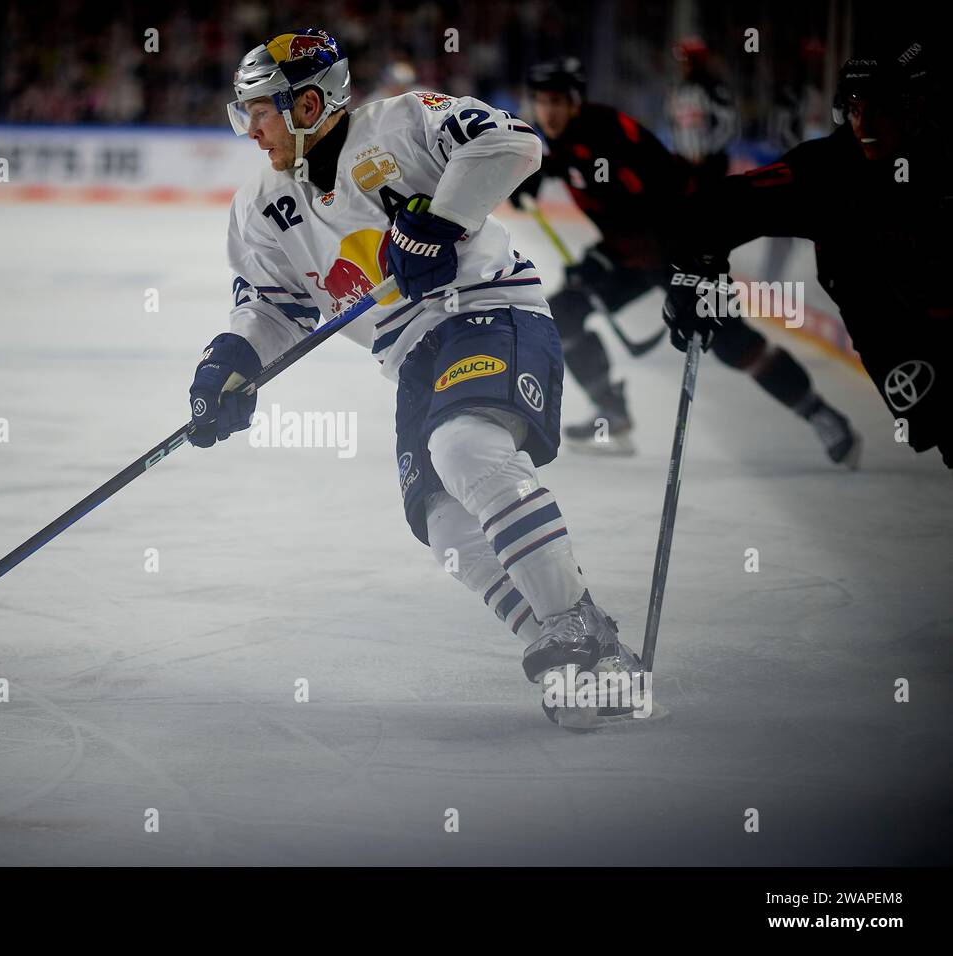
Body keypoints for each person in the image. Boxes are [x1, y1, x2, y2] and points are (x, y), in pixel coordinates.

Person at [187, 28, 640, 728]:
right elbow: (273, 311)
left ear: (309, 104)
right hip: (409, 357)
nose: (251, 129)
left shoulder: (401, 124)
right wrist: (232, 362)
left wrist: (441, 221)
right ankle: (578, 655)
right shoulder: (258, 208)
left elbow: (512, 141)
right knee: (442, 525)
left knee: (465, 447)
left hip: (490, 309)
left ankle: (573, 625)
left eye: (262, 110)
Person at [511, 58, 858, 464]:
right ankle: (613, 414)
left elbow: (653, 207)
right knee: (563, 314)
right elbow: (569, 163)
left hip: (685, 246)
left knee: (734, 344)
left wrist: (607, 259)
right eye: (541, 101)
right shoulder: (568, 138)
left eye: (556, 101)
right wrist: (539, 173)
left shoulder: (605, 136)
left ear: (575, 102)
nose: (547, 111)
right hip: (635, 255)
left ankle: (820, 414)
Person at [664, 43, 950, 469]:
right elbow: (720, 207)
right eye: (854, 108)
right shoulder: (828, 171)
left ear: (912, 109)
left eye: (880, 109)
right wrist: (698, 271)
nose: (863, 124)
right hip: (889, 330)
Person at [666, 37, 739, 190]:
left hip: (711, 164)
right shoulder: (677, 89)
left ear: (697, 62)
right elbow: (673, 124)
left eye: (687, 60)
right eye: (682, 61)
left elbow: (729, 125)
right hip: (683, 164)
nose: (683, 65)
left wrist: (707, 152)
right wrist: (681, 153)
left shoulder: (714, 88)